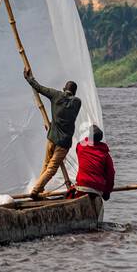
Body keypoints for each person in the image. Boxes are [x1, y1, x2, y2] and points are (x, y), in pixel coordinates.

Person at [24, 68, 81, 198]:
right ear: (74, 92)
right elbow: (72, 99)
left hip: (51, 138)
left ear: (63, 89)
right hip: (63, 143)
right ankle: (36, 190)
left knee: (46, 164)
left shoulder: (56, 95)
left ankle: (39, 188)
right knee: (51, 168)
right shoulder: (77, 102)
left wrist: (28, 79)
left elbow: (39, 88)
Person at [74, 125, 115, 200]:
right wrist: (107, 191)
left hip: (82, 185)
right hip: (97, 187)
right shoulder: (105, 153)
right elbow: (111, 173)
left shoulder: (80, 146)